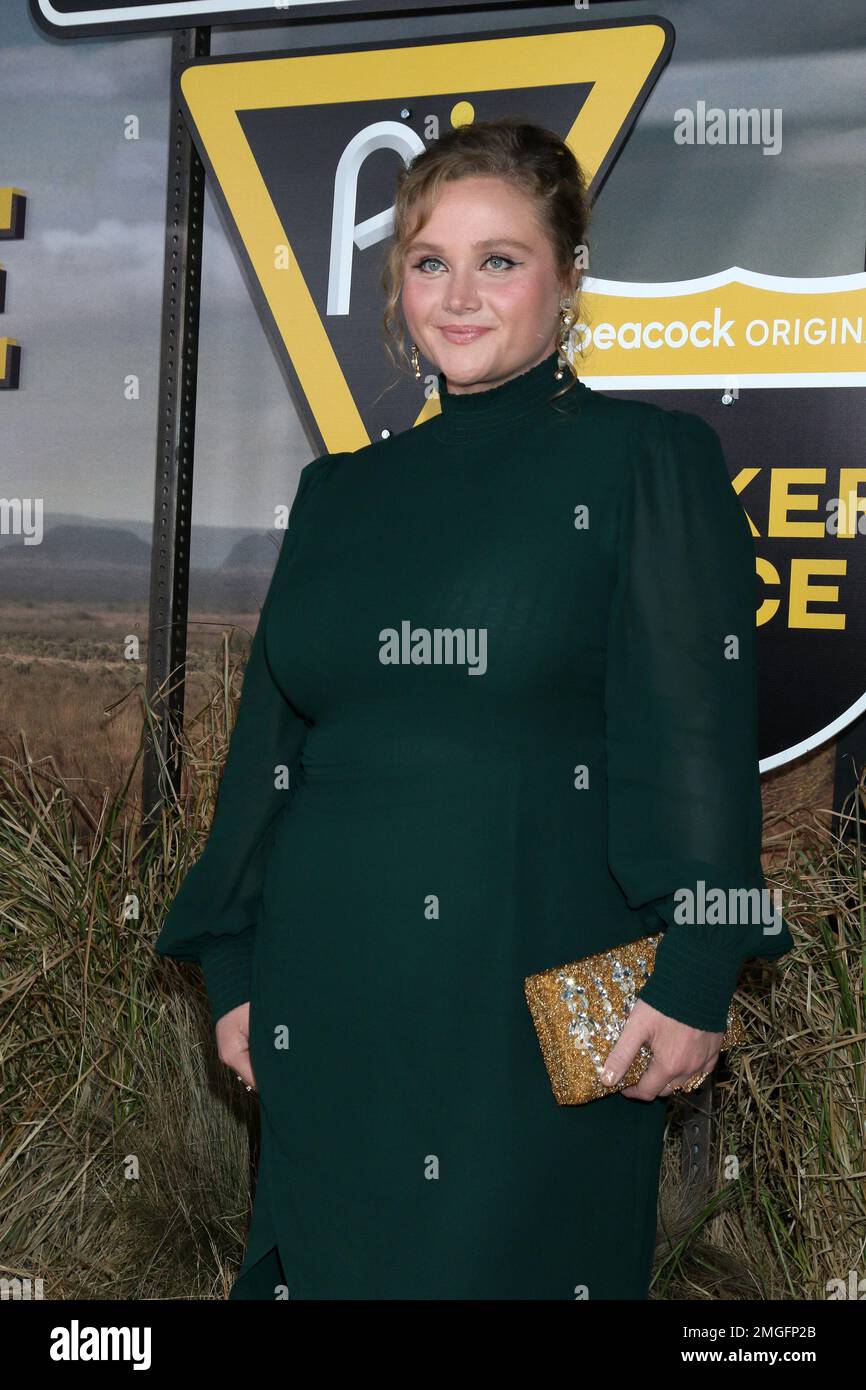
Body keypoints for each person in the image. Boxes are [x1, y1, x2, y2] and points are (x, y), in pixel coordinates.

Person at [155, 117, 794, 1300]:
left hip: (530, 996)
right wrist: (236, 963)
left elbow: (694, 734)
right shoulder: (340, 492)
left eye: (499, 259)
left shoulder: (642, 459)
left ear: (567, 277)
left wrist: (694, 973)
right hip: (332, 994)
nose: (457, 294)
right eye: (428, 260)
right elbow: (275, 748)